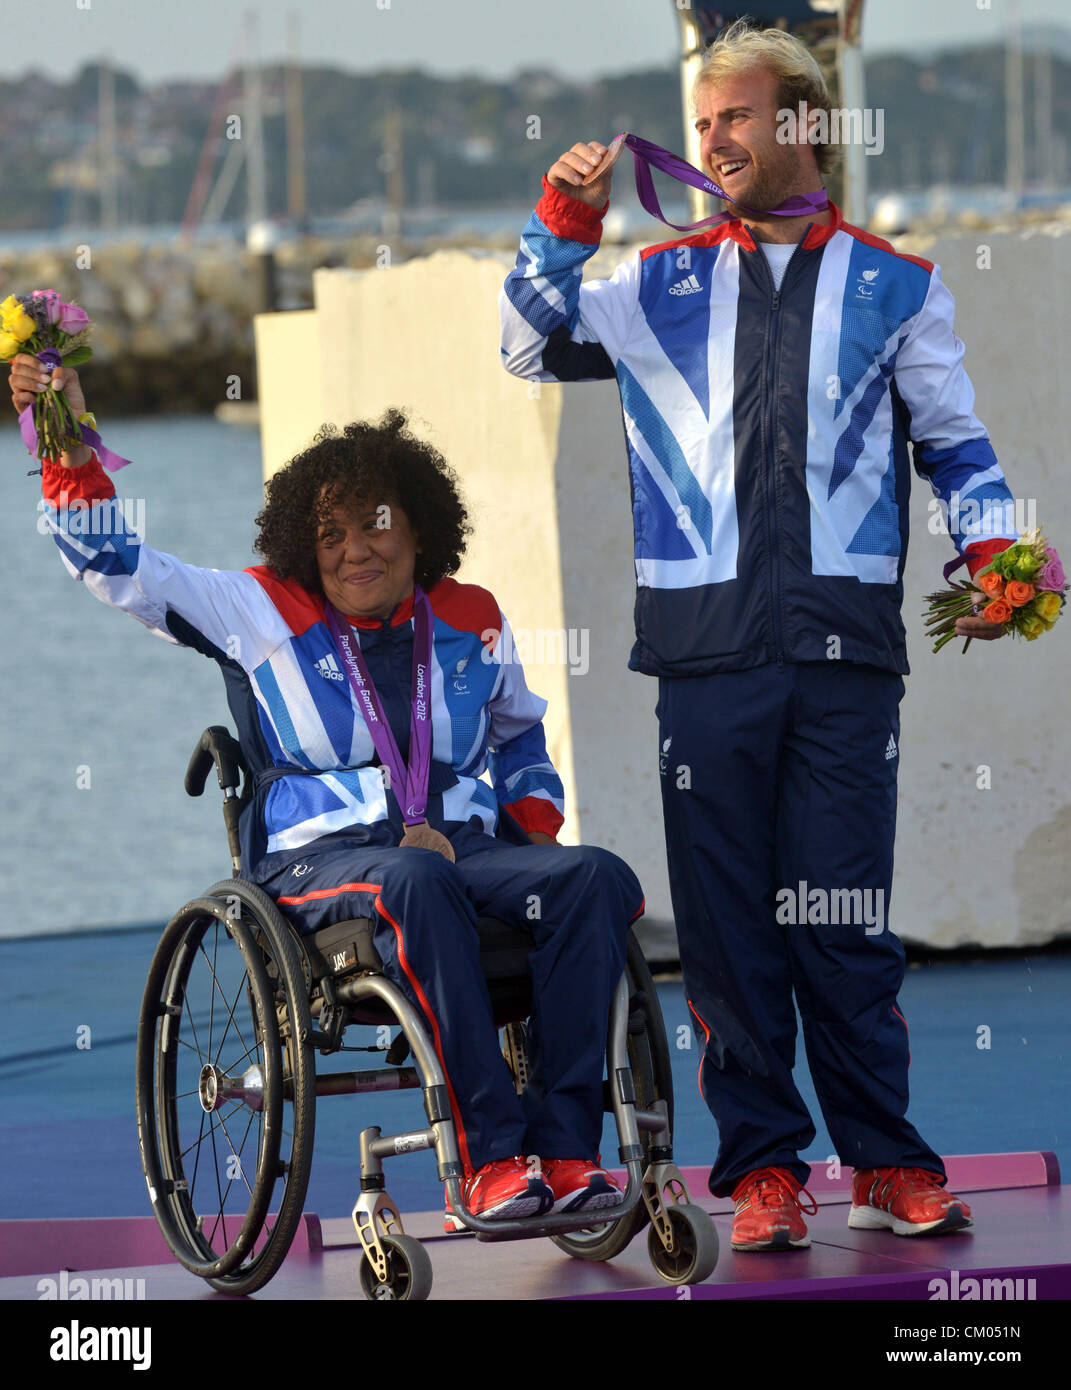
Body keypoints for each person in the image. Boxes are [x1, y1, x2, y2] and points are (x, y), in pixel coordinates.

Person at [499, 20, 1017, 1251]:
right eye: (703, 123)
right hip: (706, 655)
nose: (711, 140)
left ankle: (887, 1162)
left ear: (804, 123)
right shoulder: (657, 281)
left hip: (845, 655)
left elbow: (956, 440)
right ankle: (764, 1169)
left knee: (842, 919)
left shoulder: (897, 281)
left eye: (735, 117)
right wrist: (560, 226)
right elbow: (526, 340)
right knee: (729, 935)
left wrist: (998, 552)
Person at [10, 356, 645, 1228]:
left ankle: (568, 1153)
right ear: (303, 546)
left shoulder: (470, 615)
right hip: (321, 867)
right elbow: (116, 564)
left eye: (376, 524)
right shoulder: (258, 609)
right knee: (413, 884)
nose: (356, 549)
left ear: (419, 528)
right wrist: (66, 444)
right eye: (331, 533)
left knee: (593, 877)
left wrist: (533, 834)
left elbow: (519, 735)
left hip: (464, 857)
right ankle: (488, 1162)